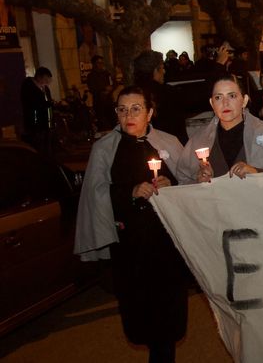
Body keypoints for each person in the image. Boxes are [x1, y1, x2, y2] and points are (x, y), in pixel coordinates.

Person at [74, 86, 187, 363]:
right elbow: (94, 194)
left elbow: (189, 184)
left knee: (167, 320)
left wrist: (171, 184)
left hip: (166, 247)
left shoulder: (169, 142)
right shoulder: (105, 149)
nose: (128, 116)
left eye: (136, 108)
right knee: (141, 317)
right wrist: (129, 191)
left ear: (150, 113)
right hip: (130, 249)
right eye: (122, 110)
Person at [177, 74, 263, 183]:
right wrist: (199, 181)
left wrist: (257, 172)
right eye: (218, 97)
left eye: (232, 96)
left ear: (244, 101)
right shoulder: (199, 140)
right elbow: (183, 181)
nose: (225, 103)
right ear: (212, 104)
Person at [133, 50, 188, 143]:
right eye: (162, 68)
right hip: (170, 146)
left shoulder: (131, 94)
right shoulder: (168, 93)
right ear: (155, 70)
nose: (164, 71)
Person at [21, 67, 55, 157]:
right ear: (39, 77)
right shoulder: (28, 87)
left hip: (47, 124)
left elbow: (48, 102)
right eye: (46, 78)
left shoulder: (45, 88)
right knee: (39, 148)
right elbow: (32, 104)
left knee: (48, 148)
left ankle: (48, 164)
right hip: (36, 125)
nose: (48, 81)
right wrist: (47, 104)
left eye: (49, 79)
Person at [87, 55, 115, 130]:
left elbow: (112, 83)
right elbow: (93, 89)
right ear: (94, 64)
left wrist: (110, 88)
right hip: (99, 103)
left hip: (109, 102)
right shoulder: (91, 76)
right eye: (98, 63)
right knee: (103, 124)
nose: (100, 65)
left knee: (113, 121)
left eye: (102, 63)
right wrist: (103, 89)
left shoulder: (106, 73)